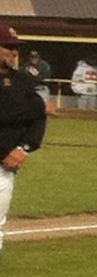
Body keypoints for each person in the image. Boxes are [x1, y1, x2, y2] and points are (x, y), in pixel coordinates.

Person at [0, 25, 47, 261]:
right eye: (8, 47)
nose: (14, 53)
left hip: (3, 167)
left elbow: (38, 119)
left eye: (16, 48)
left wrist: (24, 148)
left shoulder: (22, 82)